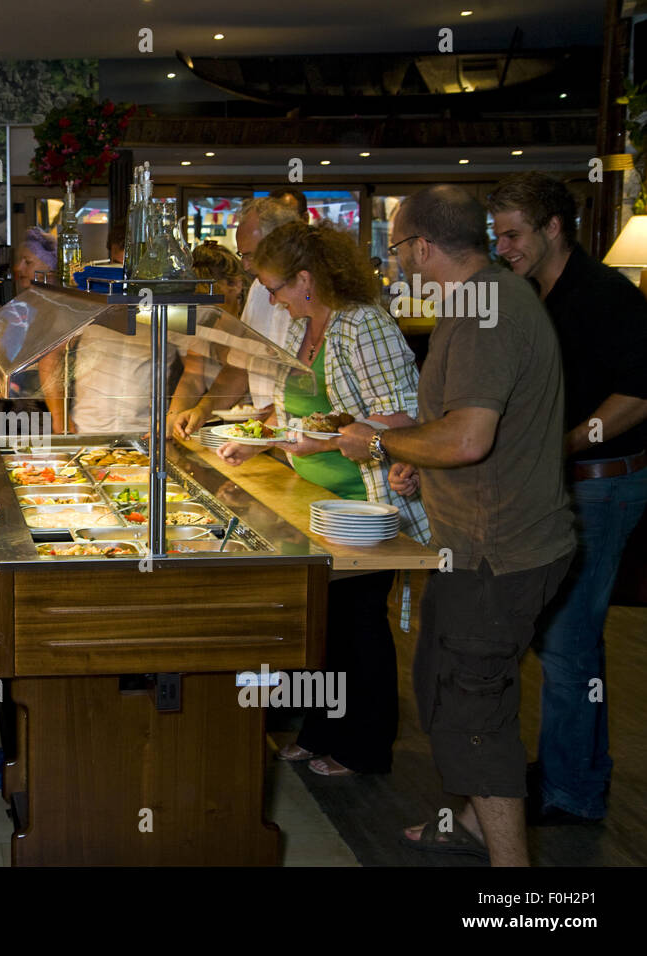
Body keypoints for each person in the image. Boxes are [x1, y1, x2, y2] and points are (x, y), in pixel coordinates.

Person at [336, 185, 575, 866]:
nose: (397, 261)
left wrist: (382, 446)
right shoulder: (477, 299)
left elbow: (469, 439)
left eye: (398, 247)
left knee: (476, 715)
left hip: (499, 549)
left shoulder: (487, 313)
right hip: (474, 542)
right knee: (441, 682)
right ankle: (472, 821)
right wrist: (417, 452)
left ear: (423, 246)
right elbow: (457, 427)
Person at [216, 220, 429, 777]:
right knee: (321, 621)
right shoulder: (299, 329)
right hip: (311, 493)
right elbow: (297, 412)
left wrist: (326, 439)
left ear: (306, 279)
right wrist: (257, 436)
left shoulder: (366, 326)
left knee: (359, 624)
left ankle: (365, 748)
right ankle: (321, 730)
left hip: (368, 501)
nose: (269, 298)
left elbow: (402, 415)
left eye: (275, 287)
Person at [488, 172, 647, 825]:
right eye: (498, 235)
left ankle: (574, 793)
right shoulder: (534, 293)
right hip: (558, 486)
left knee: (568, 640)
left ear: (553, 227)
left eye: (513, 234)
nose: (504, 247)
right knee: (555, 636)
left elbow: (638, 397)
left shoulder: (607, 294)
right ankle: (565, 766)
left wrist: (566, 443)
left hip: (601, 486)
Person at [168, 196, 298, 438]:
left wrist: (266, 428)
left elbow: (310, 385)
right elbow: (240, 366)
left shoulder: (311, 297)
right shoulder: (260, 291)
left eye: (251, 255)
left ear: (281, 244)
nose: (246, 266)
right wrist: (202, 409)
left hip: (292, 435)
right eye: (242, 255)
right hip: (269, 433)